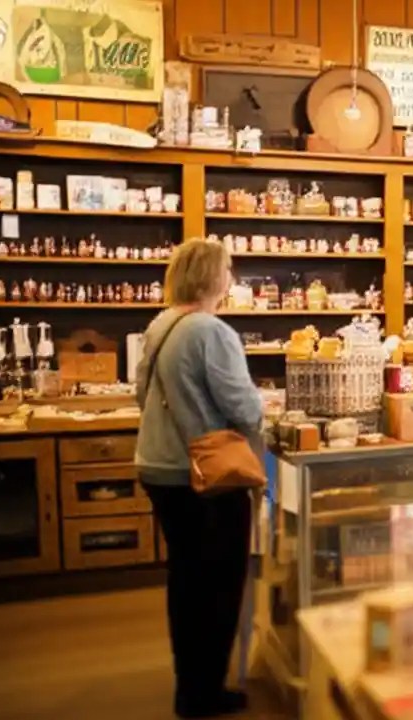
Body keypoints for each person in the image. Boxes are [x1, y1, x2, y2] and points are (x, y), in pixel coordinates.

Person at [135, 239, 262, 719]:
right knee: (220, 580)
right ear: (214, 277)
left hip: (159, 465)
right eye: (228, 268)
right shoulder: (211, 331)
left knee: (186, 579)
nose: (231, 276)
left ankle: (189, 684)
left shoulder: (161, 324)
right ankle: (205, 692)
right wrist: (263, 413)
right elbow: (243, 406)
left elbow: (139, 392)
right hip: (207, 473)